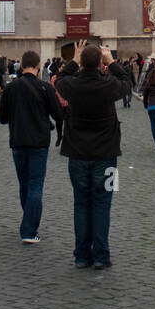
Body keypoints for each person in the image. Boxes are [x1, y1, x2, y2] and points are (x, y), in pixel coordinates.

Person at [55, 41, 133, 269]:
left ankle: (81, 255)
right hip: (107, 155)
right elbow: (128, 82)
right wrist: (112, 61)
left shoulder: (71, 84)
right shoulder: (109, 85)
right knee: (103, 203)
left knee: (81, 203)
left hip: (77, 154)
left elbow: (58, 81)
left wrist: (74, 60)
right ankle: (100, 255)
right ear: (100, 64)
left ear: (81, 63)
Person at [0, 50, 63, 244]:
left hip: (18, 141)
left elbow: (2, 118)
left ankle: (29, 221)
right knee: (35, 185)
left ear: (22, 65)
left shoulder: (10, 88)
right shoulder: (44, 88)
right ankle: (29, 229)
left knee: (24, 184)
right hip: (39, 143)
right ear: (37, 66)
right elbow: (59, 115)